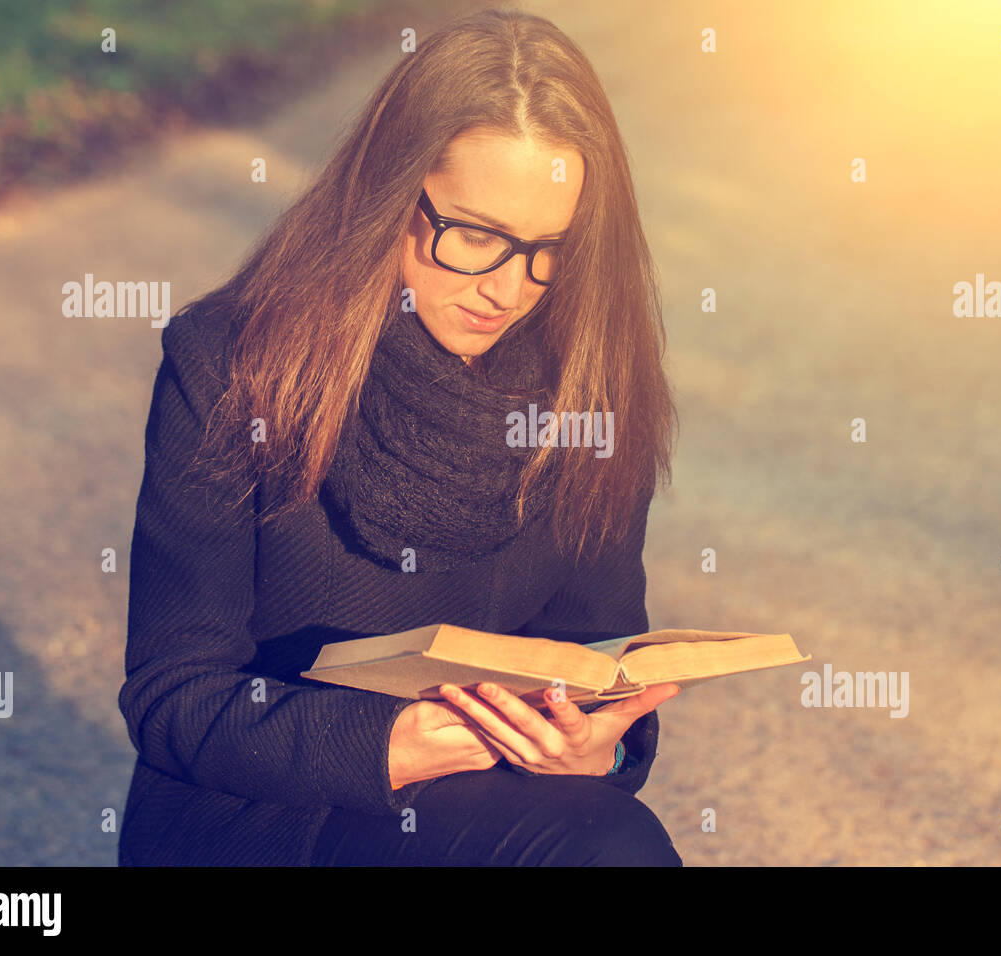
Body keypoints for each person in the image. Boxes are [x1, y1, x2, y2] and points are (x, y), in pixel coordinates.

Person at [117, 6, 680, 866]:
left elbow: (597, 650)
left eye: (546, 249)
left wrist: (598, 747)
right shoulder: (235, 362)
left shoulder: (588, 386)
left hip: (495, 807)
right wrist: (385, 746)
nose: (509, 288)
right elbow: (174, 695)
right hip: (268, 816)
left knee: (613, 846)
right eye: (476, 236)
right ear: (388, 194)